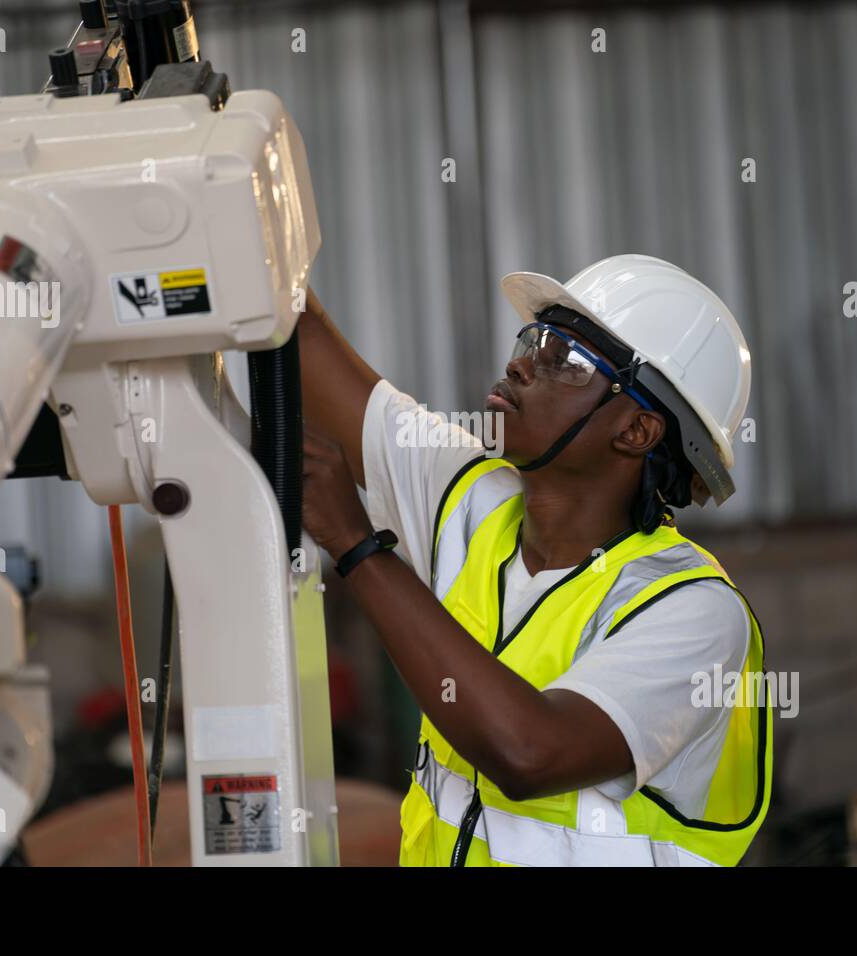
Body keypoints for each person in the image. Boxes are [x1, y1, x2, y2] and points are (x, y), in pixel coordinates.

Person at [298, 253, 771, 866]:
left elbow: (528, 754)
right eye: (534, 339)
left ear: (637, 432)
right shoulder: (474, 501)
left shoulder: (693, 612)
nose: (519, 364)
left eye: (565, 361)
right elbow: (300, 340)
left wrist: (360, 549)